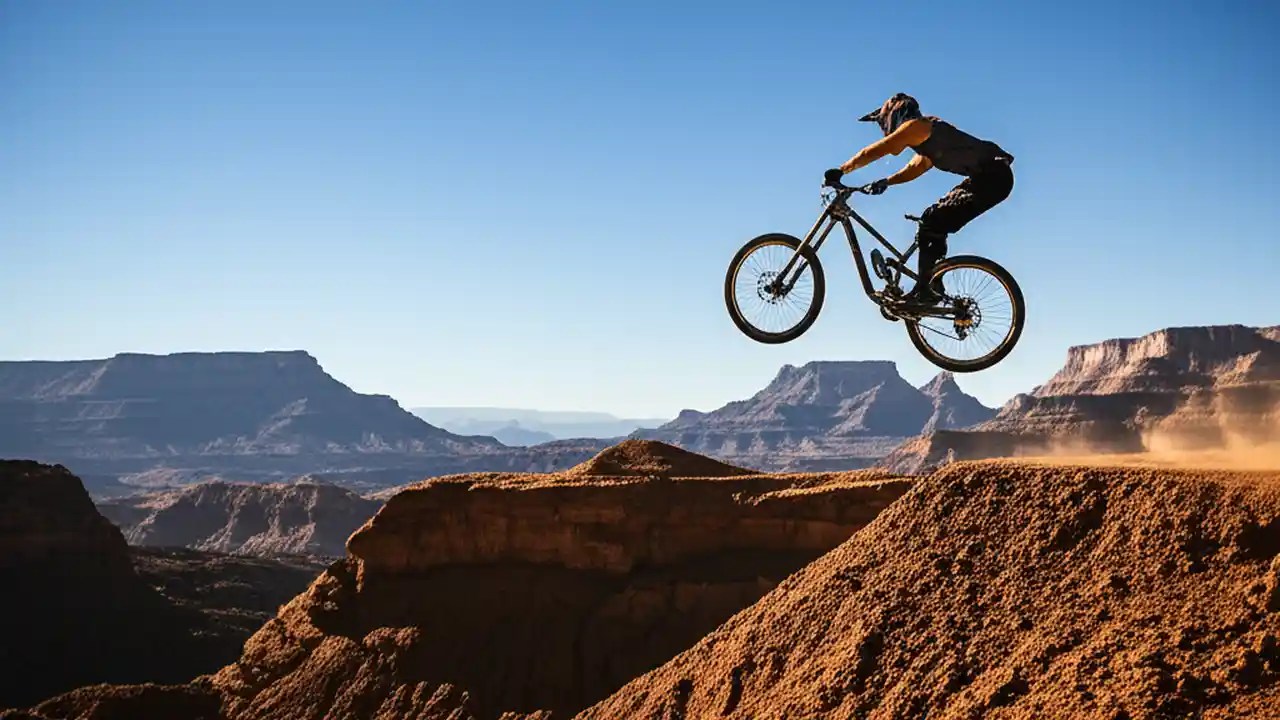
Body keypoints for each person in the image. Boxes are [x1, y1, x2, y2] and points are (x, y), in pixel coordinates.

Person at [826, 93, 1014, 303]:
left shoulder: (916, 127)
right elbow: (914, 169)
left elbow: (882, 148)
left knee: (932, 221)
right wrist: (886, 182)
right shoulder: (926, 136)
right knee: (932, 221)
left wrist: (841, 170)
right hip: (989, 178)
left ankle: (927, 292)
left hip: (993, 178)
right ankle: (932, 283)